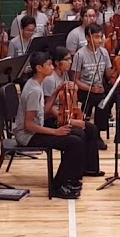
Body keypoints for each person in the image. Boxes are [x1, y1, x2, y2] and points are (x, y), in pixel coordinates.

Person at [16, 51, 87, 199]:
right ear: (39, 68)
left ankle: (72, 179)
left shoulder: (36, 84)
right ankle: (57, 186)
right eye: (48, 65)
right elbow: (28, 125)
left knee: (78, 134)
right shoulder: (34, 90)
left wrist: (56, 92)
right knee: (73, 142)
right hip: (28, 136)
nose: (52, 67)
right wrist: (55, 132)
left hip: (35, 130)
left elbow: (43, 110)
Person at [72, 25, 120, 145]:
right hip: (84, 89)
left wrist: (117, 70)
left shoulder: (103, 52)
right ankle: (96, 135)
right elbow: (75, 80)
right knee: (102, 101)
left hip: (100, 86)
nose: (99, 40)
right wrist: (91, 89)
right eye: (96, 37)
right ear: (88, 38)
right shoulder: (80, 55)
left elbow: (108, 74)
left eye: (101, 37)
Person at [43, 46, 103, 175]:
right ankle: (75, 171)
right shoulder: (49, 80)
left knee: (91, 128)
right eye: (67, 60)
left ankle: (90, 168)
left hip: (66, 115)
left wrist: (74, 88)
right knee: (79, 132)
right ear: (58, 63)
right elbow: (48, 108)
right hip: (53, 120)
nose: (71, 62)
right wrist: (70, 121)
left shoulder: (64, 75)